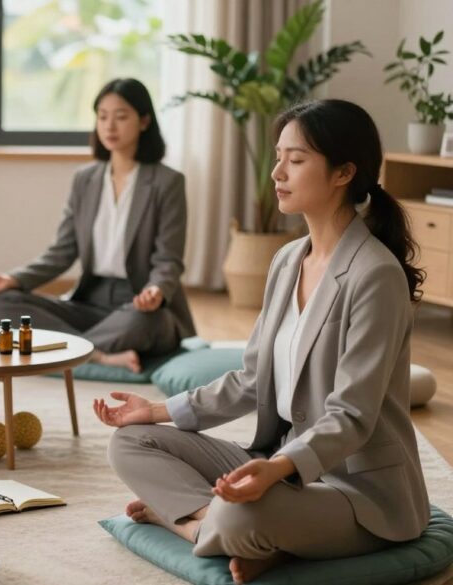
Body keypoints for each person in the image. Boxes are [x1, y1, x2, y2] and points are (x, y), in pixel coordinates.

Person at [95, 99, 429, 584]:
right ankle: (225, 529)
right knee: (129, 442)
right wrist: (155, 411)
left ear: (343, 173)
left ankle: (190, 522)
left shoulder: (375, 275)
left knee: (240, 514)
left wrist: (278, 472)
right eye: (278, 157)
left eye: (296, 160)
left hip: (359, 490)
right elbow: (252, 380)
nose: (277, 172)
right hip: (280, 463)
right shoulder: (287, 259)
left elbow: (352, 415)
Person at [0, 78, 195, 372]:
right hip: (89, 303)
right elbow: (61, 252)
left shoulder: (168, 183)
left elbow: (168, 260)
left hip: (139, 307)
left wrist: (156, 291)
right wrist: (12, 279)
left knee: (150, 322)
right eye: (102, 116)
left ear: (144, 121)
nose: (109, 126)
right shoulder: (84, 180)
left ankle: (67, 351)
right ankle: (99, 355)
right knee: (1, 303)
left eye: (121, 116)